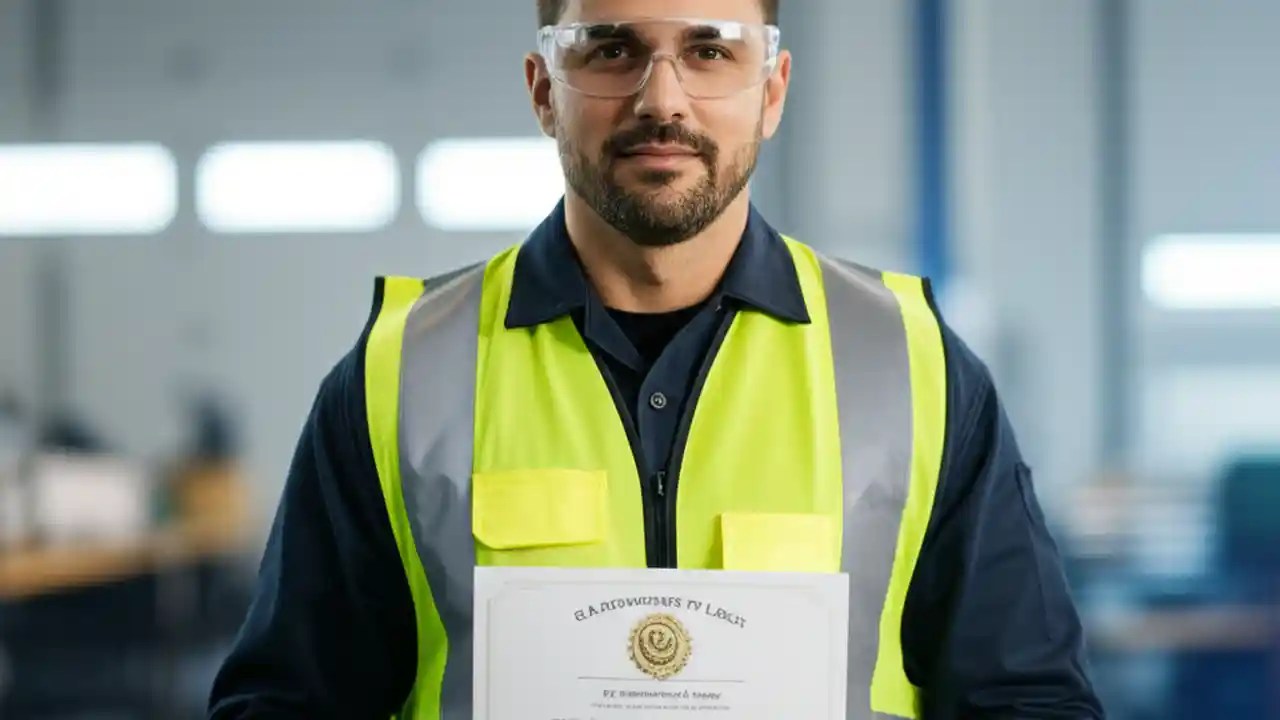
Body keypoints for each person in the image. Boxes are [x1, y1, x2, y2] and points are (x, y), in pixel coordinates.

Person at [208, 0, 1104, 718]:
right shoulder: (399, 372)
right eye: (610, 51)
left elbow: (1028, 698)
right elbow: (285, 701)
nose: (661, 99)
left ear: (774, 89)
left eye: (711, 51)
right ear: (542, 88)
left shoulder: (912, 367)